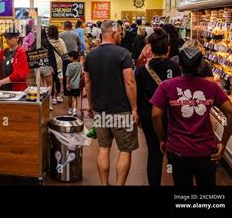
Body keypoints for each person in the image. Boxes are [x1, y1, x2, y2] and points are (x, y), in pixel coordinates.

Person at [151, 47, 232, 186]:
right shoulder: (212, 87)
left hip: (177, 150)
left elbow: (155, 115)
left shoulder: (166, 86)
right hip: (206, 151)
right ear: (201, 65)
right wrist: (223, 142)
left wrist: (162, 139)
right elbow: (231, 113)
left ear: (179, 64)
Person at [84, 21, 139, 186]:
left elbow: (87, 82)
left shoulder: (91, 55)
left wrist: (91, 105)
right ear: (114, 33)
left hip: (101, 111)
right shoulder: (123, 53)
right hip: (122, 111)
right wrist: (134, 108)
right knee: (125, 149)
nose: (121, 36)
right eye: (120, 33)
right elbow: (129, 81)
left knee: (103, 148)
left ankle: (104, 184)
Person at [134, 28, 181, 186]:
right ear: (168, 50)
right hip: (171, 116)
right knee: (173, 154)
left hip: (149, 116)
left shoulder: (141, 70)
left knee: (154, 153)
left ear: (151, 49)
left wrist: (138, 114)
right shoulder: (174, 68)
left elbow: (138, 94)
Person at [33, 28, 58, 111]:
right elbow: (52, 57)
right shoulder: (47, 44)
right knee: (49, 86)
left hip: (36, 67)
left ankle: (41, 102)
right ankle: (49, 103)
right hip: (46, 67)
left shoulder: (34, 44)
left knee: (40, 86)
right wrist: (54, 68)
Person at [59, 21, 81, 103]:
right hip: (74, 59)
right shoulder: (76, 35)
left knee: (66, 75)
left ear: (64, 26)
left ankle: (66, 92)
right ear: (71, 26)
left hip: (64, 59)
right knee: (75, 76)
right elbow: (79, 45)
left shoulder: (60, 35)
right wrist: (77, 54)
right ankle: (74, 92)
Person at [48, 25, 67, 104]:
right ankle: (59, 96)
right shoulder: (60, 41)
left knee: (51, 80)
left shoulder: (47, 41)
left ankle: (52, 98)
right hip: (59, 63)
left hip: (50, 64)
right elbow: (64, 53)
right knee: (58, 80)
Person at [66, 51, 82, 117]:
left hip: (70, 84)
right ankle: (74, 110)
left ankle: (70, 109)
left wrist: (67, 84)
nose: (69, 58)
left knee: (69, 97)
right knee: (75, 98)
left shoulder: (69, 65)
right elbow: (81, 74)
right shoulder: (80, 65)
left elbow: (67, 75)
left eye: (69, 57)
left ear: (72, 57)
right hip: (77, 84)